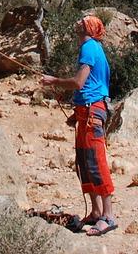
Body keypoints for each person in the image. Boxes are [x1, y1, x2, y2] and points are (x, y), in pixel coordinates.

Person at [40, 15, 117, 236]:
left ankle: (108, 216)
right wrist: (76, 114)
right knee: (83, 163)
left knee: (96, 161)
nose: (78, 22)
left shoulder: (89, 47)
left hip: (93, 111)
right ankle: (95, 211)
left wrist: (53, 81)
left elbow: (78, 82)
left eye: (82, 21)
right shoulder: (91, 47)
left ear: (88, 29)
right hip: (86, 111)